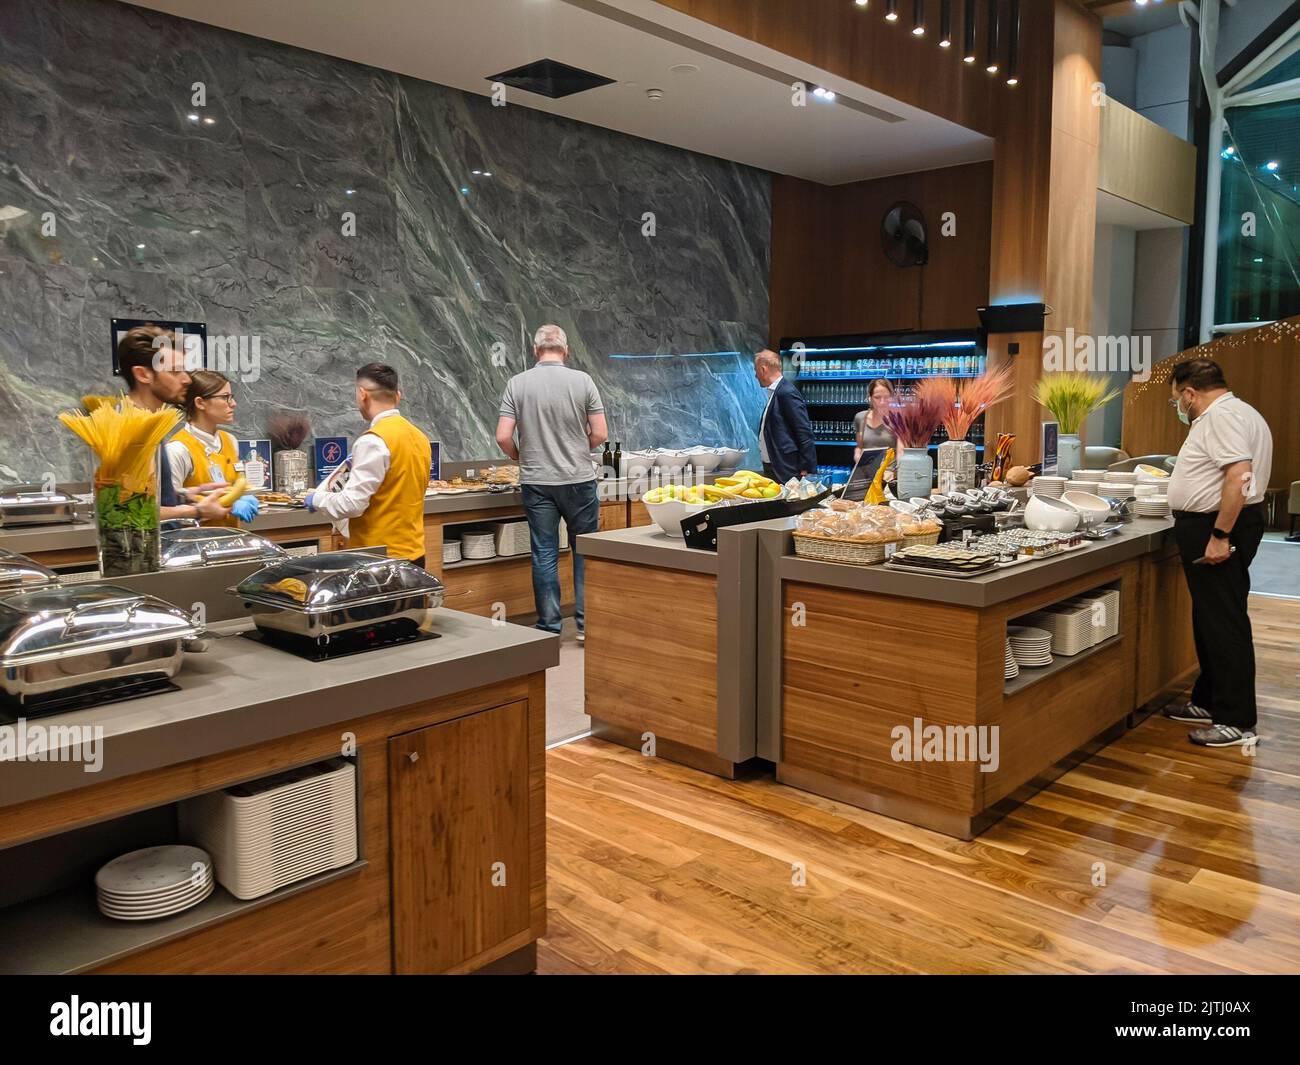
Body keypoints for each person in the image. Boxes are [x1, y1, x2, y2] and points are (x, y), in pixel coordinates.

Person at [1161, 358, 1273, 749]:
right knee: (1212, 617)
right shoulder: (1243, 412)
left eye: (1177, 397)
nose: (1179, 405)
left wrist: (1220, 534)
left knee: (1224, 622)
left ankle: (1236, 720)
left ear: (1190, 392)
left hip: (1218, 526)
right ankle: (1209, 699)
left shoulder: (1220, 417)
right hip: (1218, 524)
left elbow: (1239, 475)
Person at [496, 325, 607, 642]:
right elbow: (600, 433)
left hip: (536, 481)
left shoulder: (517, 383)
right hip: (578, 480)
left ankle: (548, 628)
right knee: (584, 551)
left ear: (535, 351)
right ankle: (586, 626)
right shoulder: (582, 381)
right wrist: (575, 449)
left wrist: (520, 456)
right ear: (566, 350)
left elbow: (503, 436)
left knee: (544, 553)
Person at [305, 364, 432, 567]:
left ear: (363, 394)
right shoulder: (420, 437)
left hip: (378, 560)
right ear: (397, 396)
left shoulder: (372, 441)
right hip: (414, 556)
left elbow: (352, 505)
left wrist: (317, 499)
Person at [115, 325, 231, 524]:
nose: (187, 379)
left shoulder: (149, 421)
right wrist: (196, 511)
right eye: (176, 371)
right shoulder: (130, 427)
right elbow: (129, 511)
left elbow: (147, 496)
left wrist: (185, 494)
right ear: (143, 374)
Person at [165, 370, 258, 527]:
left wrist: (243, 496)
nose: (233, 404)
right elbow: (170, 510)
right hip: (195, 544)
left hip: (230, 539)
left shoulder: (230, 440)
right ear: (200, 403)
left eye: (231, 397)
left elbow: (237, 484)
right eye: (225, 397)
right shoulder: (178, 450)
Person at [754, 349, 817, 483]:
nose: (755, 375)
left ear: (763, 369)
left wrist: (806, 468)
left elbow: (803, 431)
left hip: (786, 470)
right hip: (775, 467)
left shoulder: (786, 392)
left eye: (756, 370)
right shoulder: (777, 391)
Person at [853, 378, 898, 465]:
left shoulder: (898, 420)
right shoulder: (860, 417)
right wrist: (858, 457)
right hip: (866, 474)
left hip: (889, 475)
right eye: (877, 397)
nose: (882, 402)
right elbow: (859, 447)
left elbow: (901, 452)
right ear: (870, 398)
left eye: (887, 397)